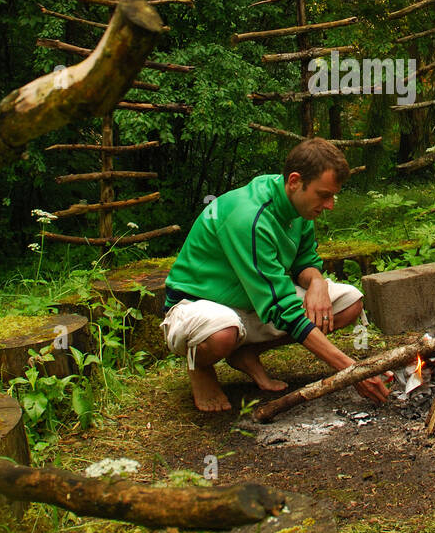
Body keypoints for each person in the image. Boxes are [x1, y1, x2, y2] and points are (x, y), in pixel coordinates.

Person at [161, 139, 390, 413]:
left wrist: (316, 281)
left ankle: (246, 353)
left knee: (349, 302)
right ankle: (200, 367)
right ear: (295, 181)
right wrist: (351, 370)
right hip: (198, 309)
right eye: (323, 195)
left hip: (254, 303)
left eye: (333, 196)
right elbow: (282, 307)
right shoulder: (249, 217)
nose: (329, 205)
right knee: (222, 332)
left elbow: (304, 261)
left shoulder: (299, 206)